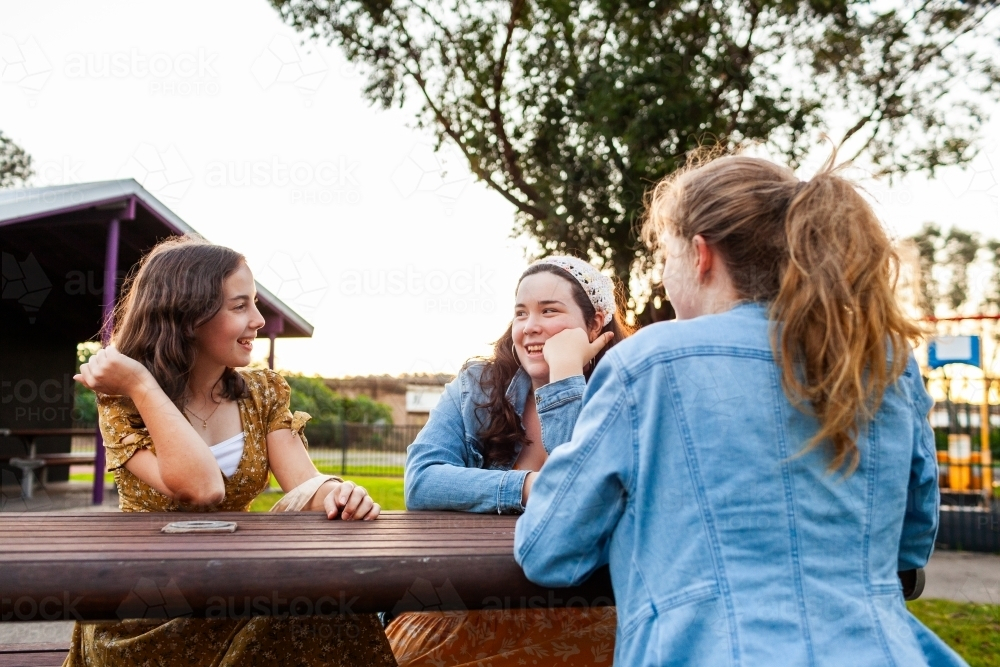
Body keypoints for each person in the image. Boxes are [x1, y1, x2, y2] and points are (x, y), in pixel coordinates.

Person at [515, 150, 965, 666]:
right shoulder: (884, 359)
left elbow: (548, 549)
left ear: (701, 256)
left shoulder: (651, 363)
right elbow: (910, 545)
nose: (663, 277)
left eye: (666, 258)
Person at [65, 236, 396, 667]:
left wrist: (337, 492)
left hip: (235, 591)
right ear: (188, 317)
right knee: (299, 611)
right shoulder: (126, 401)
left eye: (254, 303)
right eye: (240, 306)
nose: (258, 320)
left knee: (326, 601)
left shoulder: (262, 393)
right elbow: (202, 489)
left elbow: (305, 485)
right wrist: (142, 384)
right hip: (147, 615)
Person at [387, 256, 631, 666]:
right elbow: (421, 481)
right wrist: (525, 486)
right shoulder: (475, 387)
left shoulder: (625, 394)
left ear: (596, 324)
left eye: (549, 311)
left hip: (581, 605)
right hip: (471, 597)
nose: (529, 326)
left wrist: (566, 375)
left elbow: (577, 501)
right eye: (520, 313)